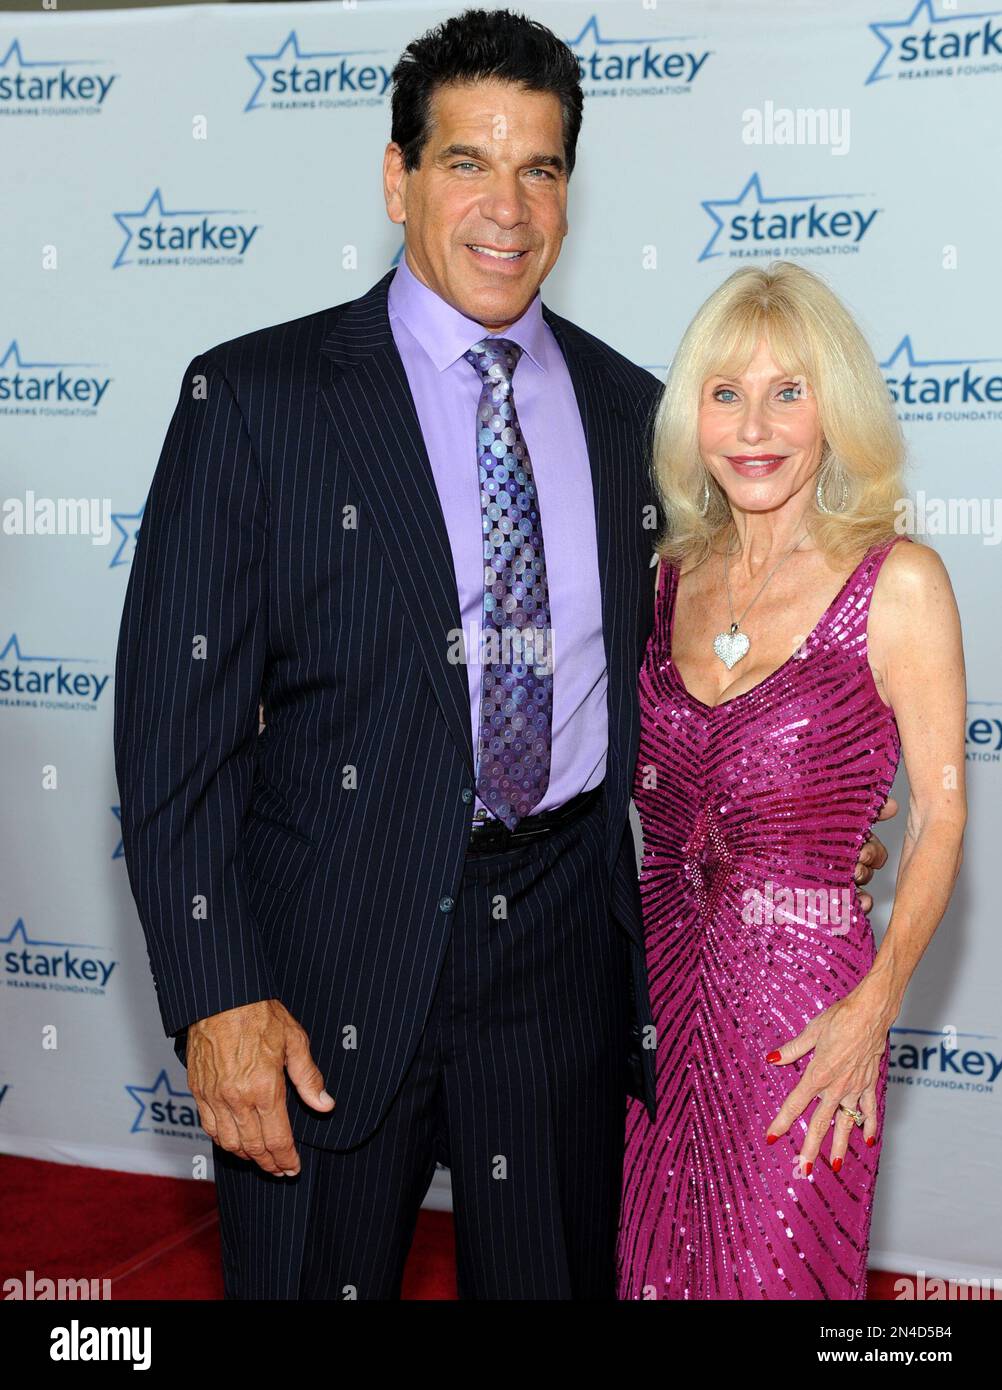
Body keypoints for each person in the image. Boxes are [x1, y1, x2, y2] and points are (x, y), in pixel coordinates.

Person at [113, 10, 890, 1300]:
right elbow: (170, 737)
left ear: (570, 194)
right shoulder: (255, 403)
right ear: (397, 177)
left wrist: (789, 816)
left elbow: (717, 651)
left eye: (539, 167)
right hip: (324, 961)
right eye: (469, 160)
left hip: (561, 952)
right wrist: (214, 996)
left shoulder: (637, 414)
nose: (507, 204)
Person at [616, 262, 967, 1300]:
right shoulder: (665, 575)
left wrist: (877, 1006)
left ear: (835, 410)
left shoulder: (896, 582)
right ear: (694, 418)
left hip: (806, 1023)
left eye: (789, 391)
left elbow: (943, 815)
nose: (754, 424)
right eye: (726, 393)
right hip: (653, 1008)